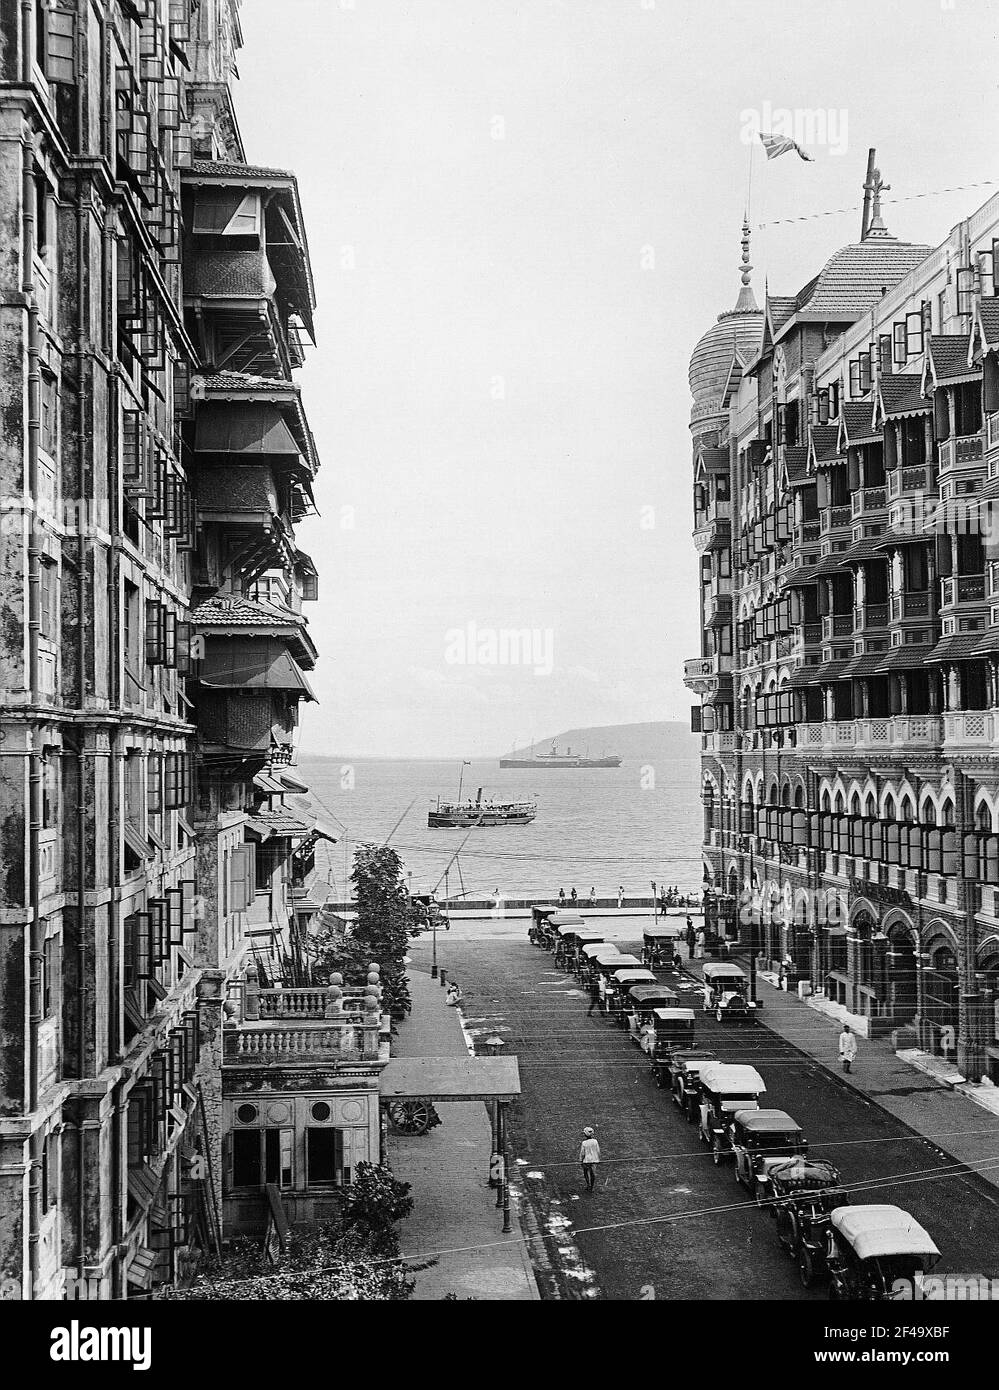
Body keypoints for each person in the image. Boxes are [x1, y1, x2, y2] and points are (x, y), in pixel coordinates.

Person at [579, 1127, 601, 1193]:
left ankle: (588, 1185)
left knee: (585, 1172)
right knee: (592, 1174)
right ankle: (591, 1187)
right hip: (594, 1160)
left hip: (587, 1161)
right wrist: (598, 1158)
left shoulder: (584, 1143)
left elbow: (582, 1153)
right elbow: (598, 1151)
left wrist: (581, 1160)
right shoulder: (595, 1141)